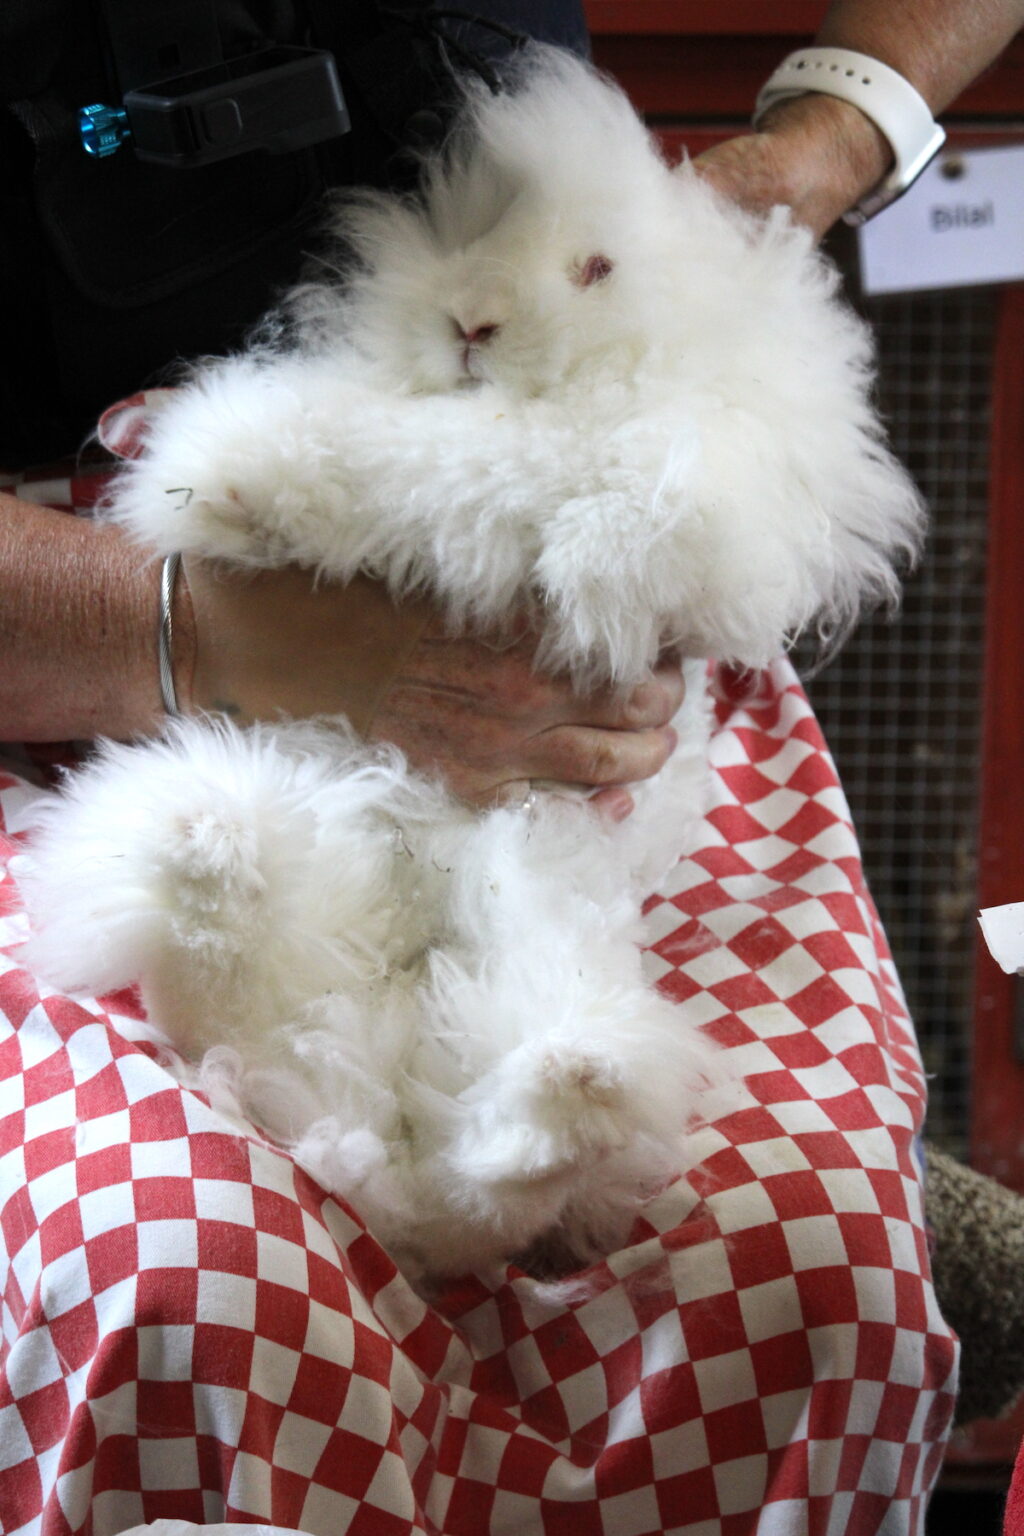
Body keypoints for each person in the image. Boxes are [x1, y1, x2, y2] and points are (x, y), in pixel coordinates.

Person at [0, 3, 1022, 1533]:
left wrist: (829, 134)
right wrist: (219, 631)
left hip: (573, 692)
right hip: (73, 631)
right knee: (198, 1284)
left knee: (808, 1270)